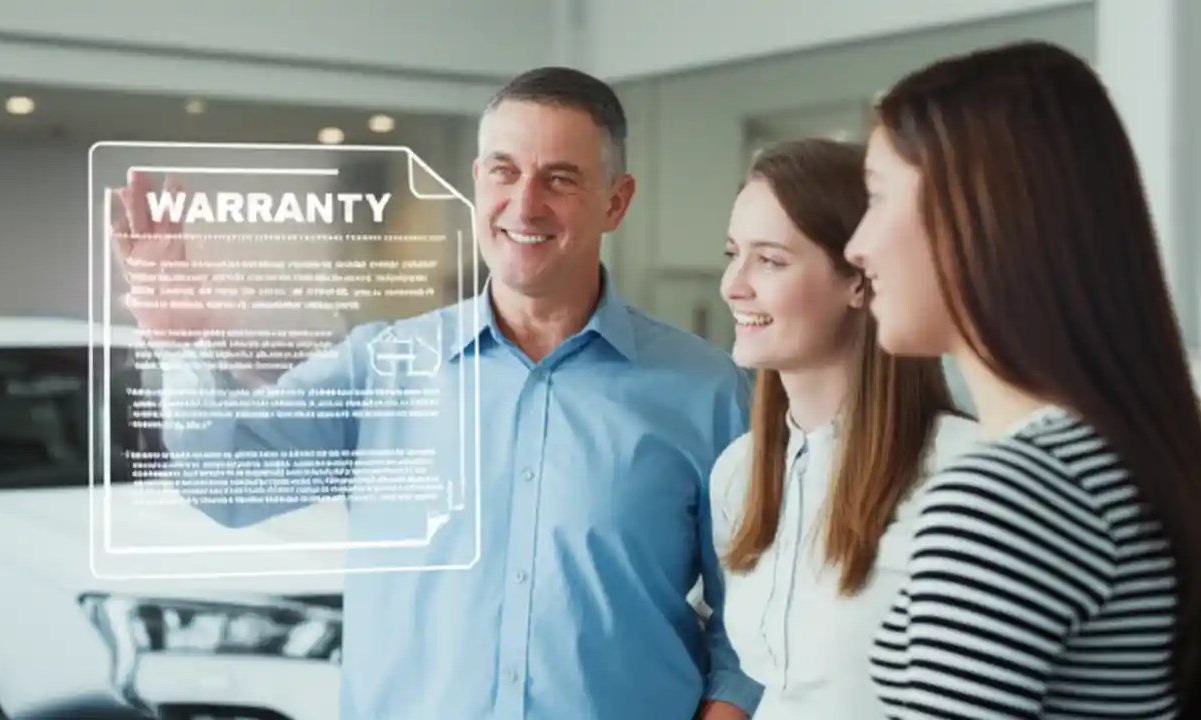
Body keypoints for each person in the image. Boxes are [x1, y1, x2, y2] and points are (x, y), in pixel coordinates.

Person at [111, 67, 762, 720]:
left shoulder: (706, 392)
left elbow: (756, 626)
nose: (526, 204)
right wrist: (182, 344)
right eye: (504, 171)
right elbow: (226, 485)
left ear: (616, 202)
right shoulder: (380, 368)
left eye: (559, 178)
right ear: (478, 181)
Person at [845, 40, 1201, 718]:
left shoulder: (1007, 495)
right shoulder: (1127, 455)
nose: (856, 244)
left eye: (875, 196)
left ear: (978, 212)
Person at [710, 139, 978, 719]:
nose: (734, 284)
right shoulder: (738, 473)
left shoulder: (964, 472)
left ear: (860, 277)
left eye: (771, 260)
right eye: (734, 253)